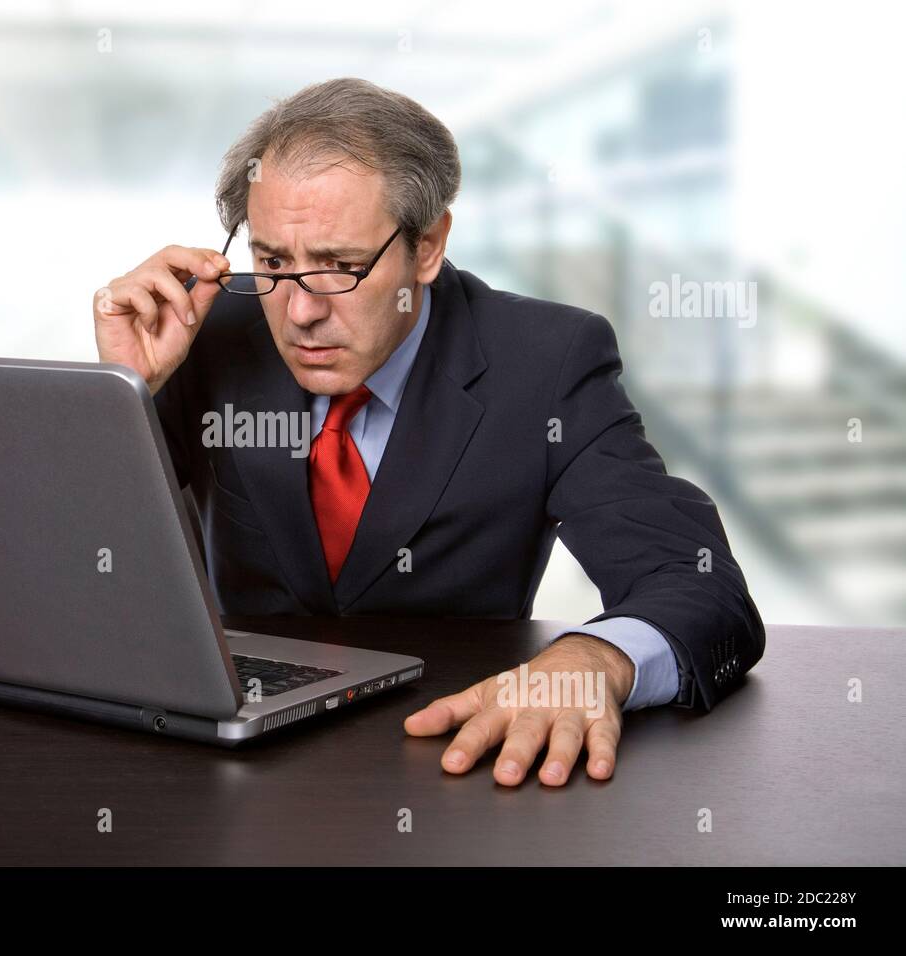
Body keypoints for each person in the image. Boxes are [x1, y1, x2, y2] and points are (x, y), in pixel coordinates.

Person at [92, 77, 763, 785]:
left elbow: (698, 583)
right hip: (237, 759)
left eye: (341, 266)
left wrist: (589, 662)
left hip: (456, 754)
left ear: (429, 247)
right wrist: (127, 394)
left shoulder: (544, 363)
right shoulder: (209, 337)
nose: (298, 313)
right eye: (275, 262)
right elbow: (83, 569)